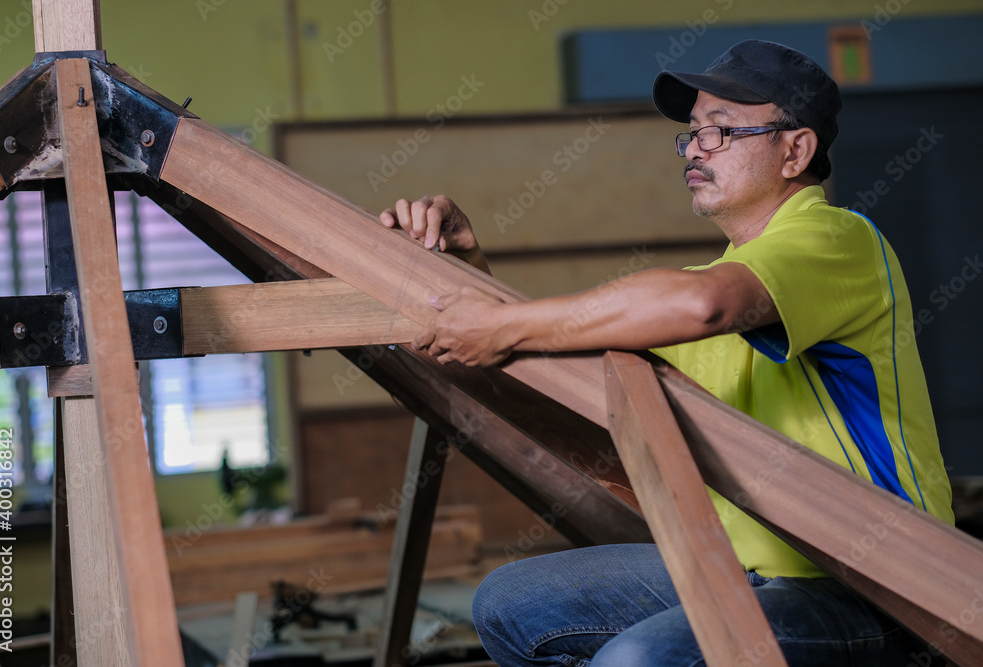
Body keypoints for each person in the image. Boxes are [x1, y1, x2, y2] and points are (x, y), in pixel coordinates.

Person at [379, 40, 954, 666]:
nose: (696, 148)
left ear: (796, 151)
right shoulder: (712, 282)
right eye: (692, 134)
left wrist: (502, 323)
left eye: (722, 131)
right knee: (512, 603)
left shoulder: (836, 239)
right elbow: (564, 369)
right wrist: (471, 273)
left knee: (637, 661)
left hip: (878, 589)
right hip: (750, 568)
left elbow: (703, 304)